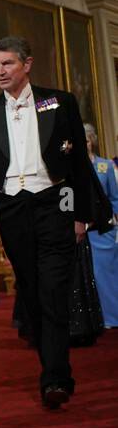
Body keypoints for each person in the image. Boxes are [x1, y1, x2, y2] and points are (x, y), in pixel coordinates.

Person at [0, 37, 100, 411]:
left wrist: (81, 215)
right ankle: (51, 366)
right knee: (31, 289)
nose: (1, 72)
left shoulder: (58, 101)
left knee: (54, 289)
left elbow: (78, 167)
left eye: (7, 64)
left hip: (55, 202)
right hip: (12, 209)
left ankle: (56, 378)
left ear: (27, 64)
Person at [85, 123, 118, 328]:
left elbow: (114, 198)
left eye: (87, 140)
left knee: (107, 273)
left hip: (103, 230)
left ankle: (111, 318)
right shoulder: (71, 169)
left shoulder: (105, 166)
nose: (85, 144)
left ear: (93, 142)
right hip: (81, 230)